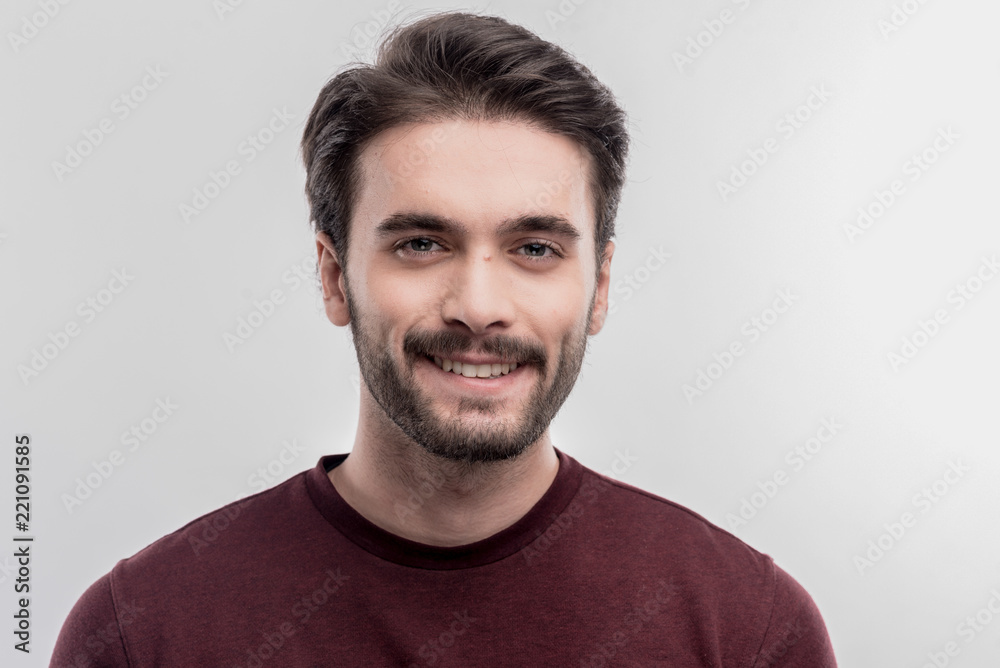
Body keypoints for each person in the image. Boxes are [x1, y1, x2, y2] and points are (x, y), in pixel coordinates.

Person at [51, 11, 837, 667]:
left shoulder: (747, 631)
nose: (479, 306)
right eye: (422, 243)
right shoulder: (142, 634)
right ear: (333, 277)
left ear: (597, 287)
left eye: (535, 249)